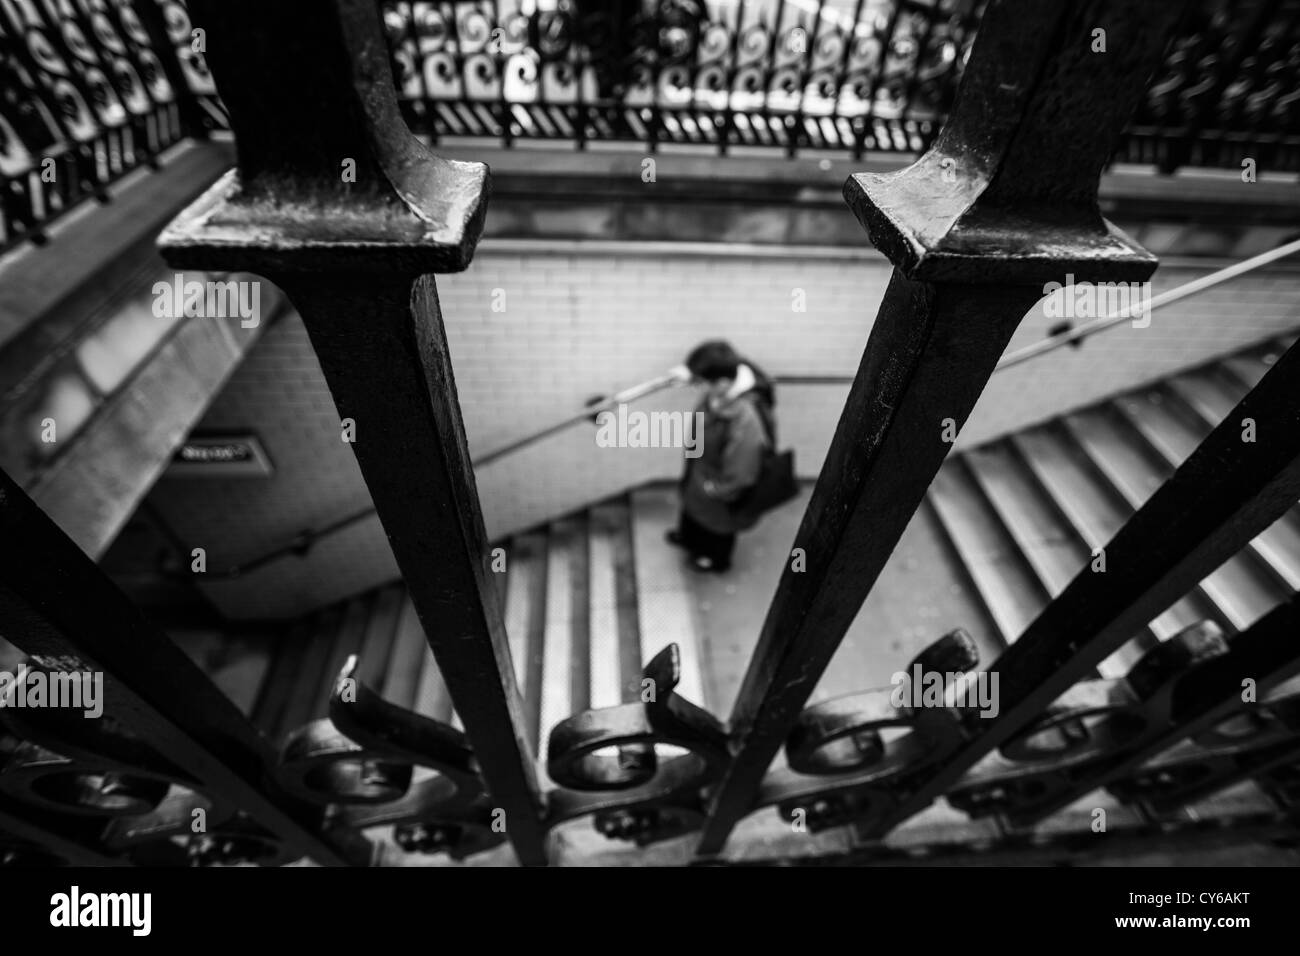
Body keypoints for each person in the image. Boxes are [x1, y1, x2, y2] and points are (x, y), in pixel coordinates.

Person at [665, 340, 776, 572]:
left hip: (717, 489)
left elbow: (741, 474)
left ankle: (715, 560)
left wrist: (714, 489)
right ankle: (688, 539)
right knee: (693, 513)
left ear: (723, 383)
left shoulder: (745, 420)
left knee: (716, 528)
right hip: (700, 471)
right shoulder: (723, 385)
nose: (696, 387)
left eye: (700, 383)